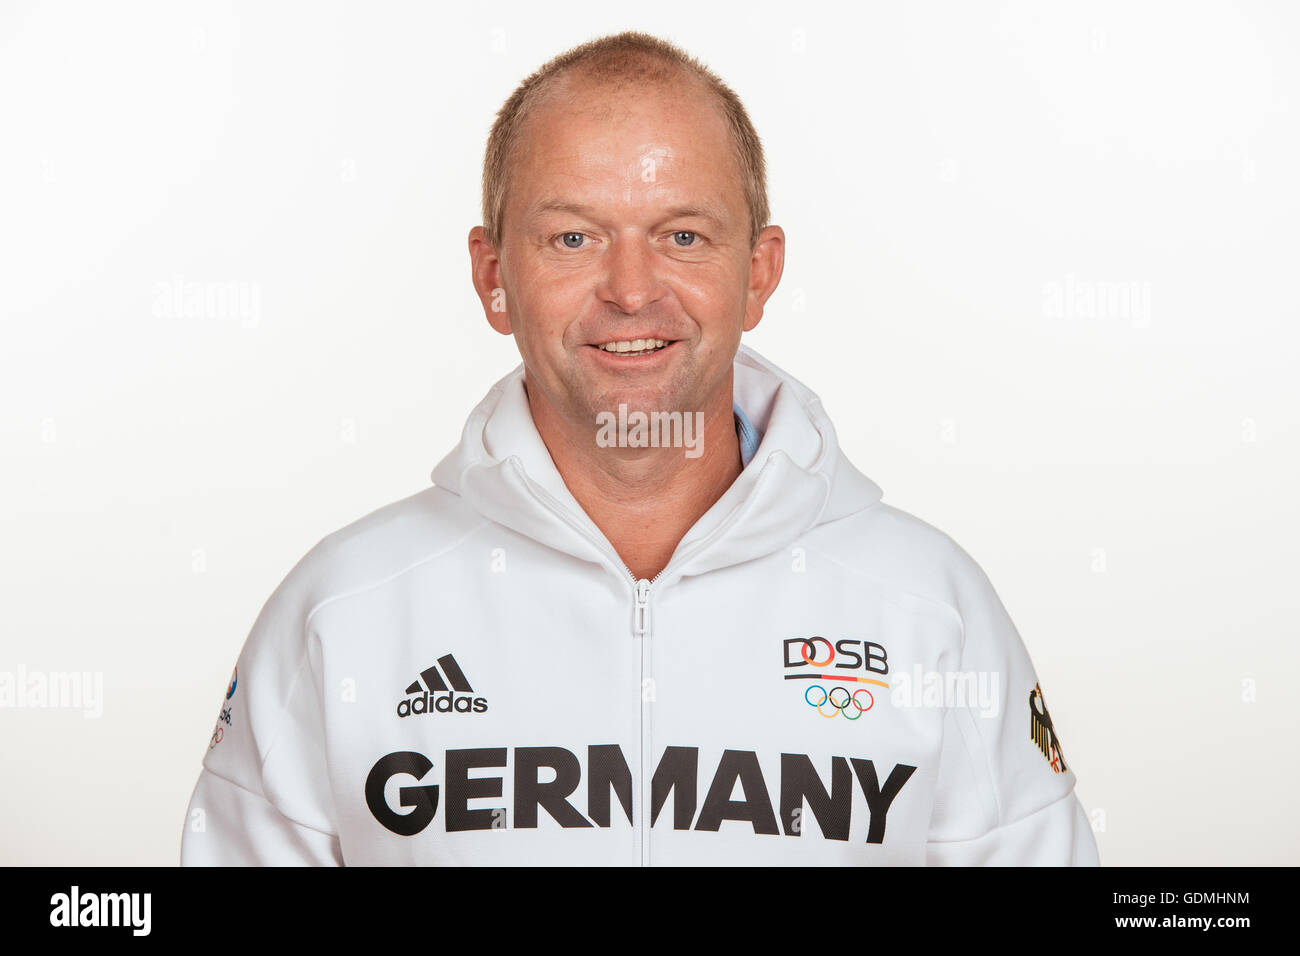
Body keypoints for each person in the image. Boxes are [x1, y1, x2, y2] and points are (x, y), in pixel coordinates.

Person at [180, 30, 1099, 866]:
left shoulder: (927, 609)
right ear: (494, 277)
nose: (630, 289)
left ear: (758, 273)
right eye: (573, 237)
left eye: (683, 236)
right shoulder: (343, 612)